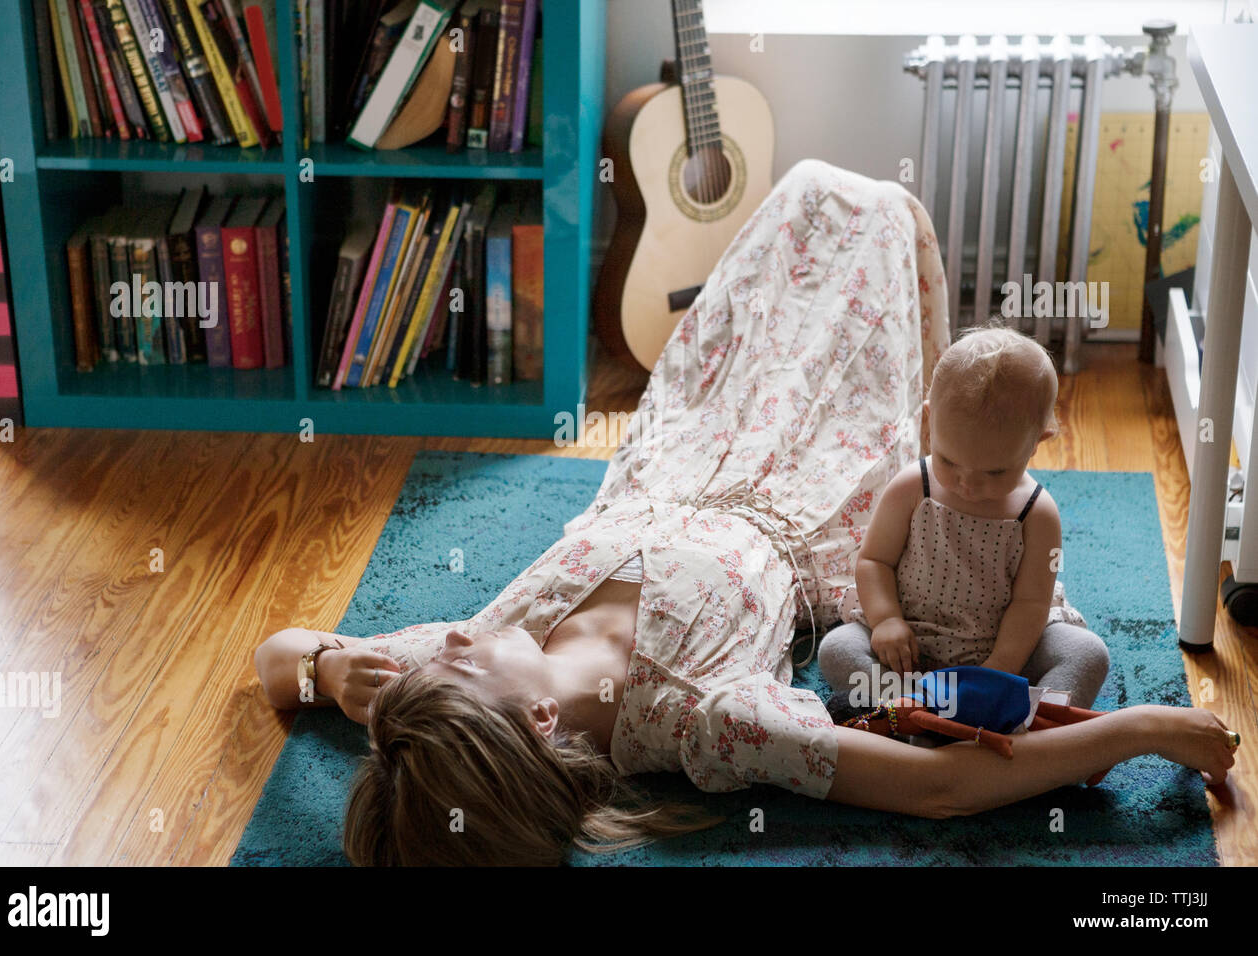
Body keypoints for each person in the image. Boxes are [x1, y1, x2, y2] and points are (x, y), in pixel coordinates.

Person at [254, 159, 1238, 866]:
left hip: (683, 452)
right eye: (459, 660)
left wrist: (332, 667)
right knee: (878, 212)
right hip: (808, 500)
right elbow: (942, 788)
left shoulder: (464, 672)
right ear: (543, 717)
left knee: (813, 188)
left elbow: (273, 656)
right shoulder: (709, 721)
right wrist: (1141, 727)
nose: (451, 640)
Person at [818, 324, 1110, 710]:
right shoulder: (911, 488)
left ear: (1039, 441)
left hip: (1004, 649)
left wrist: (998, 670)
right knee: (837, 648)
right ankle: (915, 714)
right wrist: (887, 620)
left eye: (994, 472)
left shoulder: (1038, 515)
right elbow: (874, 561)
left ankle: (1030, 728)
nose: (967, 484)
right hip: (912, 638)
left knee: (1088, 654)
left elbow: (1030, 604)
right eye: (949, 461)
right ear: (929, 425)